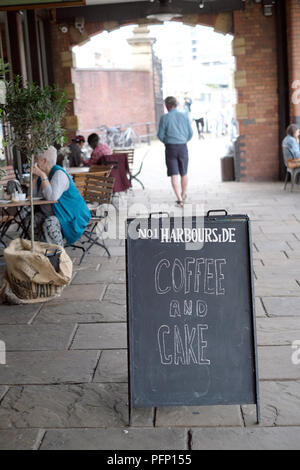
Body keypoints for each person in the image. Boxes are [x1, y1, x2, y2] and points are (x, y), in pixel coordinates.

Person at [32, 146, 91, 246]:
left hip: (71, 216)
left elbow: (52, 198)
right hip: (53, 213)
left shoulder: (59, 174)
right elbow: (32, 197)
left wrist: (42, 176)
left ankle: (58, 256)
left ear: (44, 161)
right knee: (30, 220)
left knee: (50, 223)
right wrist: (34, 179)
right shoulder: (41, 176)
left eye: (36, 159)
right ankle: (39, 253)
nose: (34, 162)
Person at [157, 96, 193, 207]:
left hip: (170, 147)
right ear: (176, 105)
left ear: (166, 106)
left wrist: (168, 141)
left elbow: (160, 135)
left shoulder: (165, 118)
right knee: (184, 172)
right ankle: (183, 195)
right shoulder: (184, 116)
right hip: (182, 146)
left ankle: (179, 199)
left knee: (174, 174)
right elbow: (190, 133)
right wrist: (183, 140)